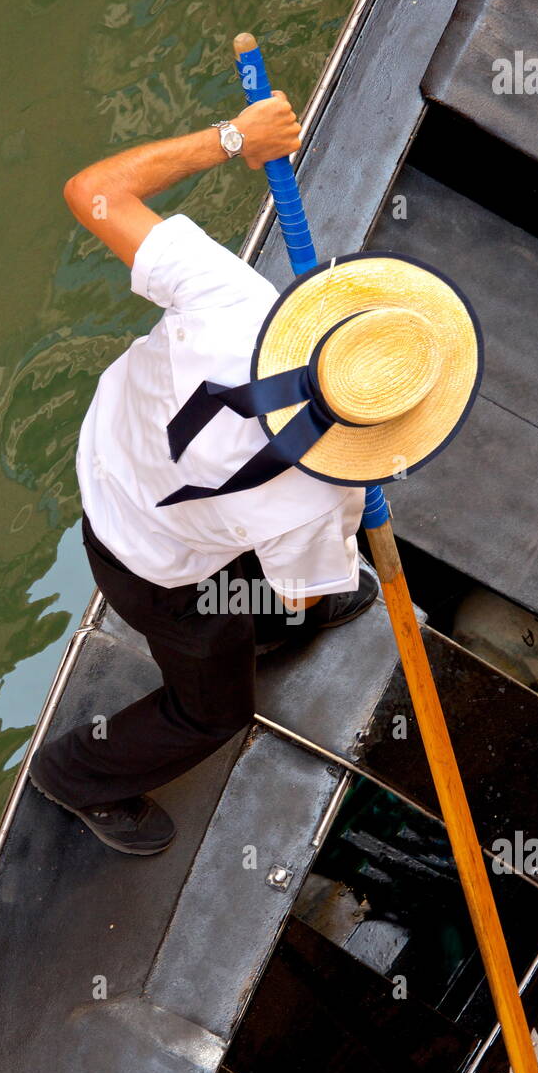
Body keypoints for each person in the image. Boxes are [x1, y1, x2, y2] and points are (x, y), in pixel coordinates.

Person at [30, 92, 376, 855]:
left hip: (108, 472)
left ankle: (272, 628)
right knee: (215, 712)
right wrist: (337, 533)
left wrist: (233, 138)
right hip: (154, 568)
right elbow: (302, 580)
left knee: (282, 586)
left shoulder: (238, 300)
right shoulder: (321, 495)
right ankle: (76, 775)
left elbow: (93, 191)